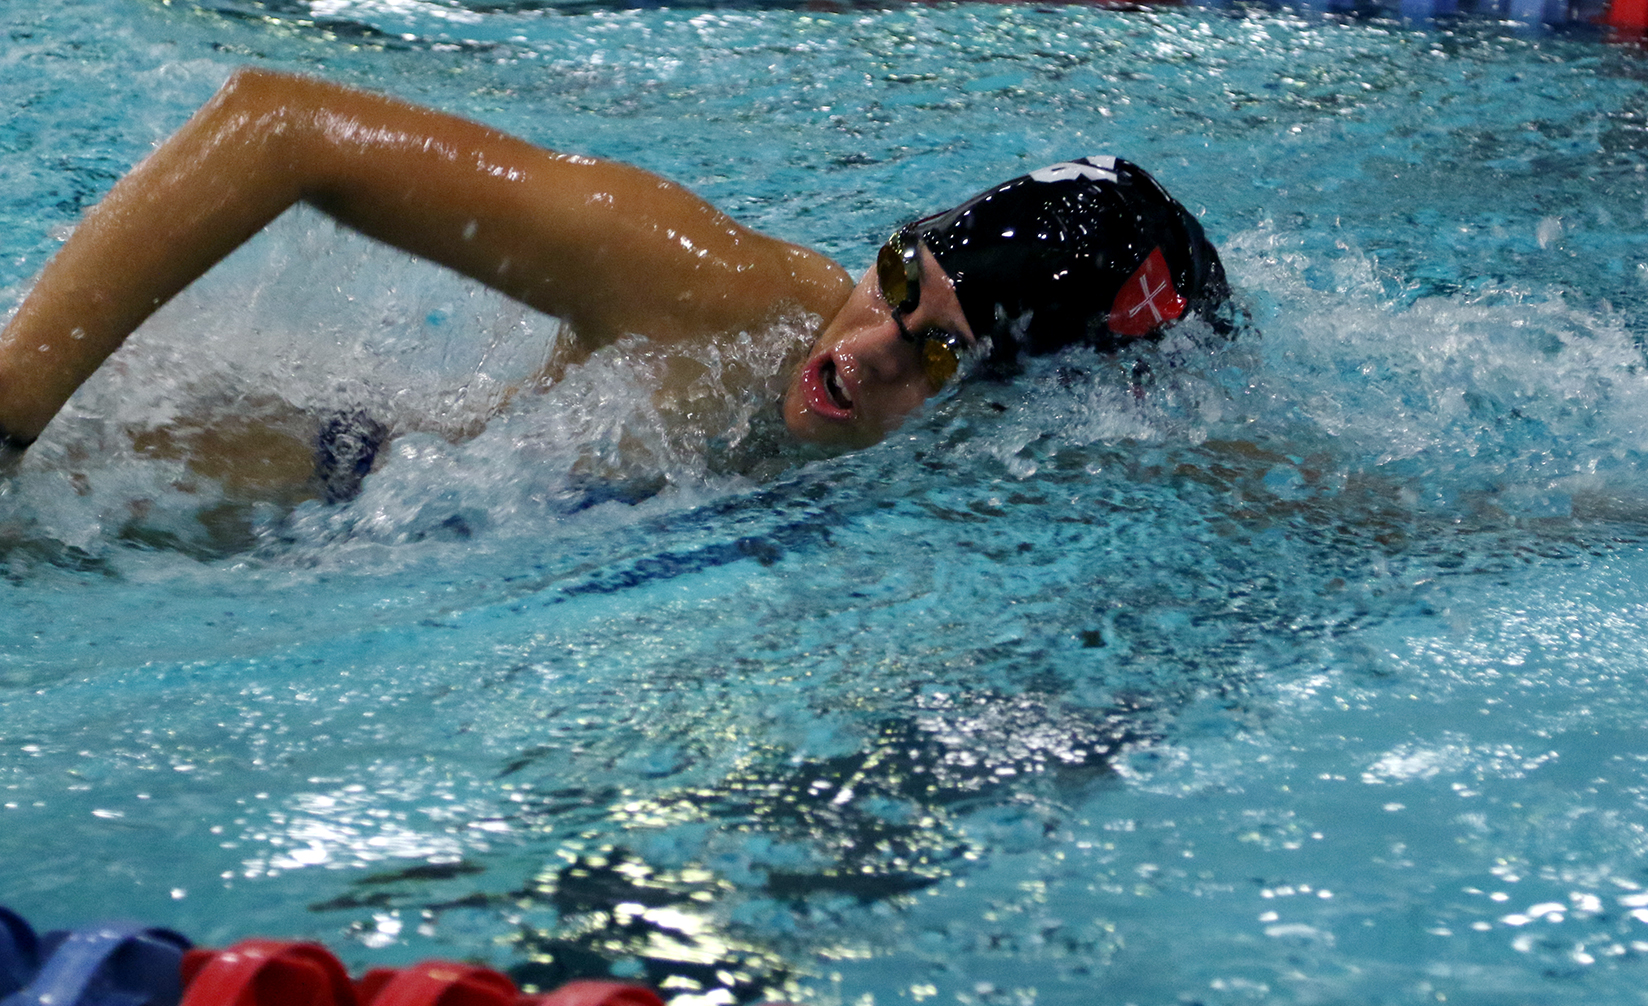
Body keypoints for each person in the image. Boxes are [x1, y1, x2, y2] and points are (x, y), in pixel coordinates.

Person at [0, 68, 1232, 502]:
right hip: (262, 498)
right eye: (899, 278)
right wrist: (10, 411)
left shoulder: (1003, 460)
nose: (864, 348)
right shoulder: (710, 294)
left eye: (942, 353)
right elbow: (282, 126)